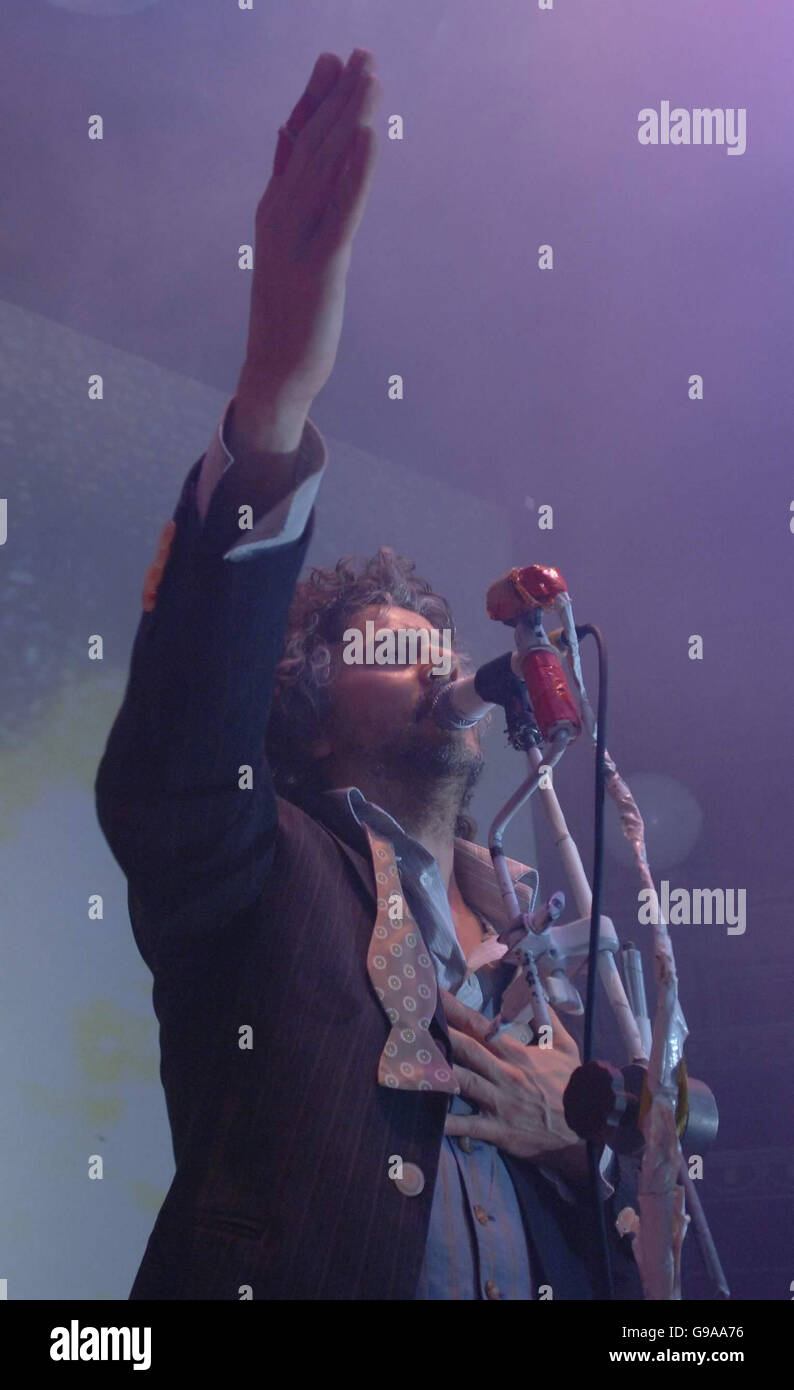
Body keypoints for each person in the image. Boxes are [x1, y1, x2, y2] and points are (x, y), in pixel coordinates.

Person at [95, 47, 640, 1300]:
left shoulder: (546, 934)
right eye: (382, 647)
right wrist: (274, 400)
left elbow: (671, 1140)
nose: (434, 661)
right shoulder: (255, 865)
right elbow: (181, 748)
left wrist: (597, 1134)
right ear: (305, 719)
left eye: (435, 640)